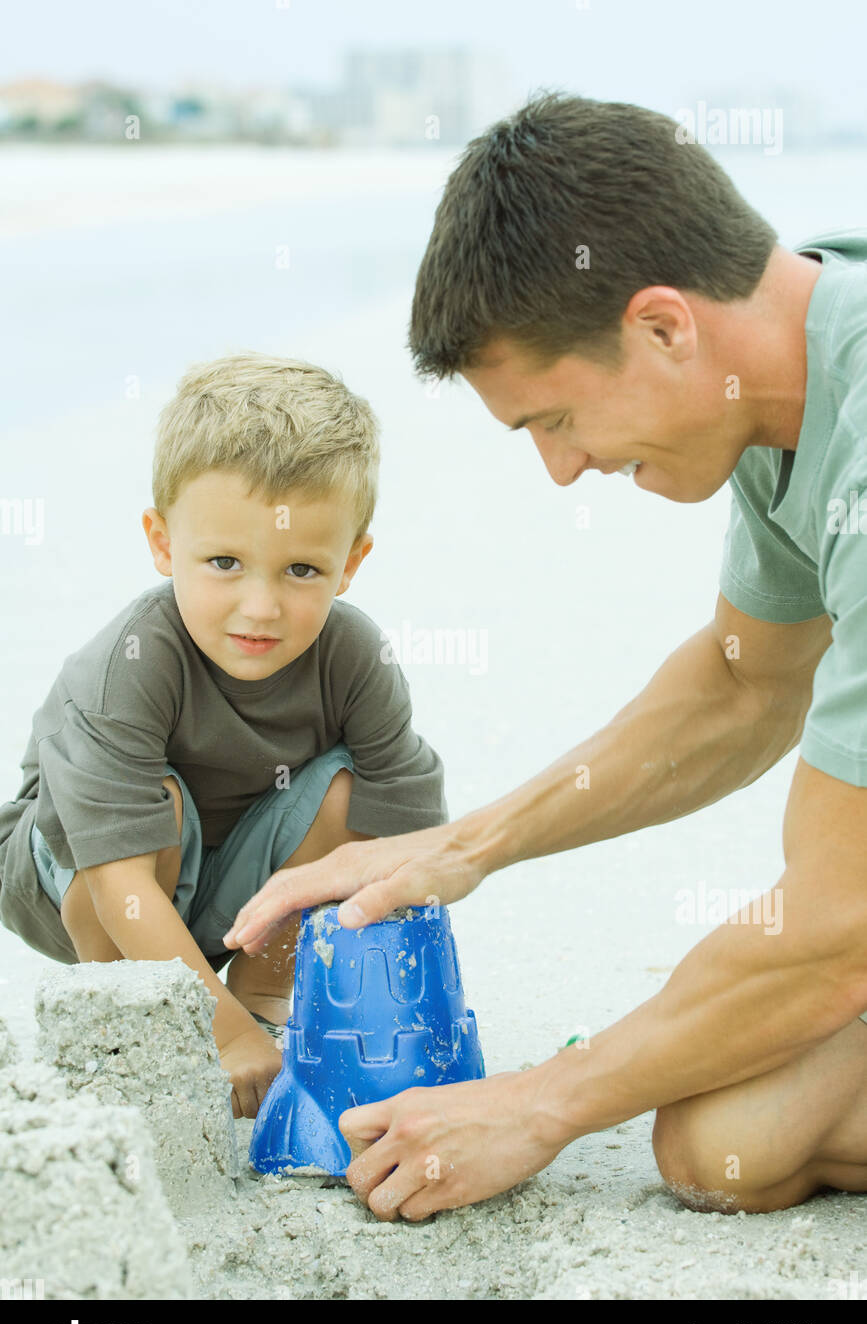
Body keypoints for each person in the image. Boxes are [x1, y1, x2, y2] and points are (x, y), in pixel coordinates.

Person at [222, 93, 867, 1223]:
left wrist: (541, 1101)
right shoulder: (789, 394)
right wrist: (457, 849)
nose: (564, 472)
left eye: (554, 421)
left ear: (665, 327)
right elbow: (738, 683)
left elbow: (839, 918)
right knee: (727, 1139)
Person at [0, 352, 448, 1118]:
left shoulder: (353, 658)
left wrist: (404, 1011)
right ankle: (130, 1016)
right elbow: (118, 882)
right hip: (83, 880)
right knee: (158, 810)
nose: (260, 607)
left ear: (352, 562)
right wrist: (221, 1034)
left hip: (238, 882)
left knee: (354, 796)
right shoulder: (129, 666)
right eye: (224, 563)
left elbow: (409, 847)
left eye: (301, 570)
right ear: (161, 541)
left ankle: (265, 993)